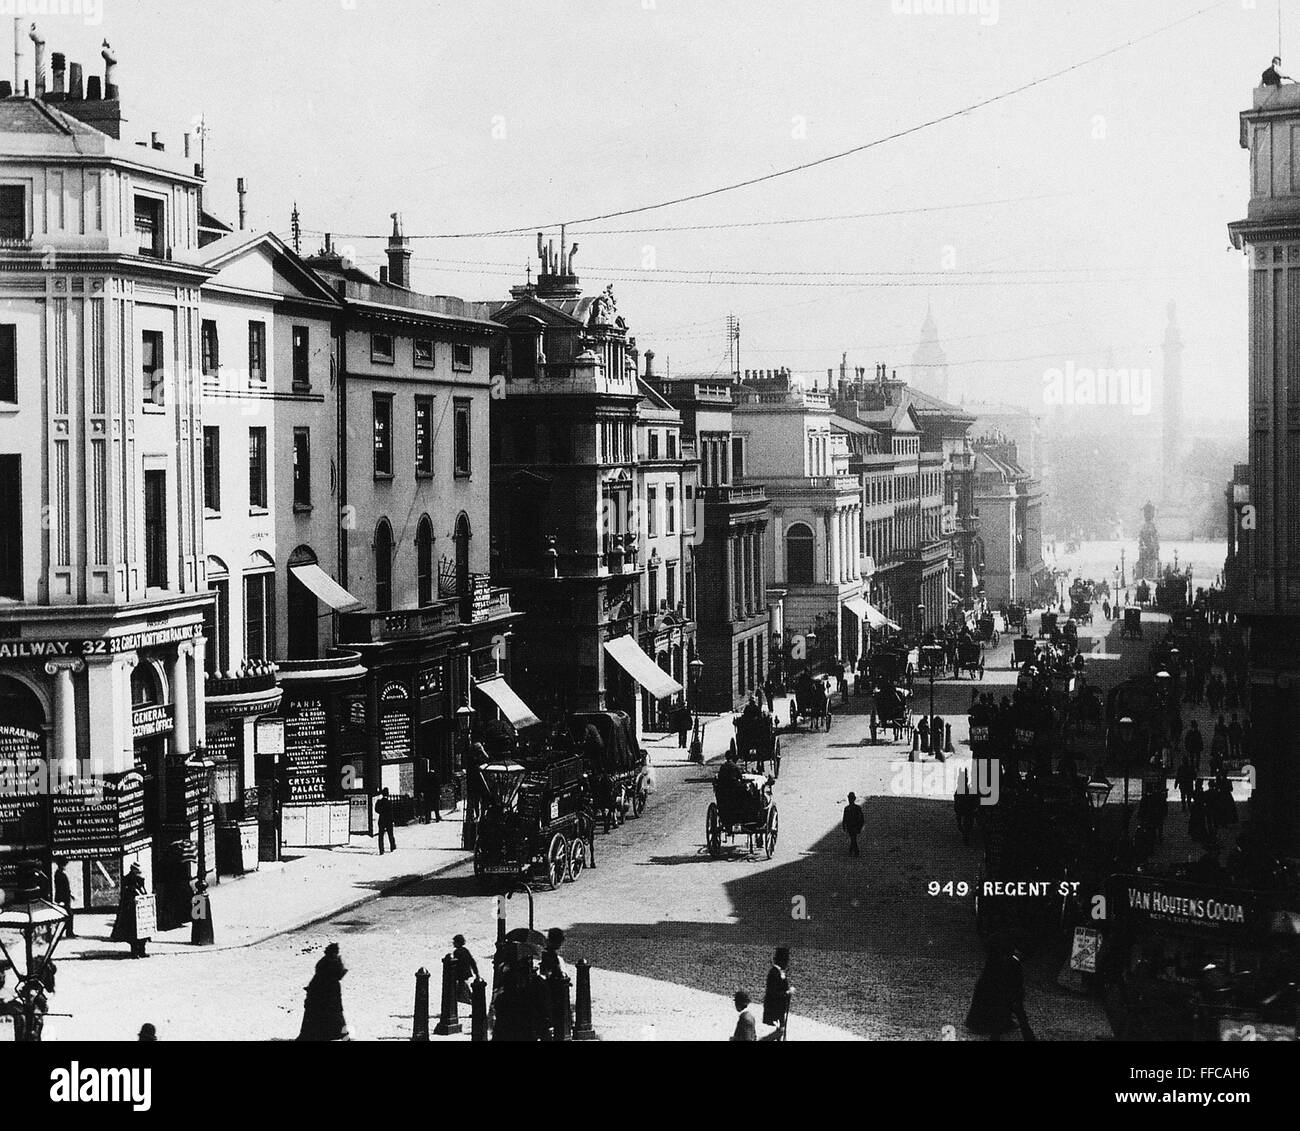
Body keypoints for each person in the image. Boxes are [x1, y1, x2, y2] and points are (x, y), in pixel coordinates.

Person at [965, 941, 1033, 1041]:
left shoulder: (999, 954)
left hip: (996, 982)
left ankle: (996, 1031)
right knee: (1010, 1009)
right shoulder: (1010, 960)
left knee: (1001, 1008)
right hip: (1002, 985)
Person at [298, 943, 349, 1041]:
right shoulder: (332, 963)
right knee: (336, 1017)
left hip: (324, 996)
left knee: (321, 1017)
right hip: (328, 997)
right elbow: (339, 974)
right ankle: (341, 1036)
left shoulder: (324, 962)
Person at [110, 862, 151, 958]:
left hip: (141, 909)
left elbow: (143, 890)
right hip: (130, 910)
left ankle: (142, 950)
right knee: (133, 932)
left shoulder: (140, 878)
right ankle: (135, 952)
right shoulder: (128, 879)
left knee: (143, 931)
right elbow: (126, 895)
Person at [762, 948, 792, 1038]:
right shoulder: (774, 973)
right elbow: (773, 993)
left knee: (780, 1031)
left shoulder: (778, 972)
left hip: (779, 1008)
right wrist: (787, 993)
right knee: (779, 1032)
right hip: (774, 1009)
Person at [452, 934, 479, 1005]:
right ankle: (472, 1001)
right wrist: (476, 972)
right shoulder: (466, 951)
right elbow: (472, 961)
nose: (453, 943)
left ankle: (472, 1002)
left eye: (454, 942)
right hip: (466, 973)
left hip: (460, 974)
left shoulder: (456, 952)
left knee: (463, 989)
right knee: (464, 988)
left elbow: (456, 964)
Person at [53, 858, 74, 938]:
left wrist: (70, 895)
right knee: (68, 915)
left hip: (66, 898)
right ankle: (68, 932)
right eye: (64, 865)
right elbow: (60, 888)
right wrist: (61, 900)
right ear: (61, 865)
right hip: (63, 899)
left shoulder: (59, 873)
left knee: (68, 915)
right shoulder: (59, 875)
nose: (65, 867)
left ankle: (68, 932)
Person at [842, 792, 865, 856]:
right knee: (853, 838)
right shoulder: (857, 808)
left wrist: (844, 826)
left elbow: (845, 819)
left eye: (850, 798)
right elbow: (861, 818)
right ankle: (853, 851)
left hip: (853, 826)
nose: (850, 800)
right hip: (853, 826)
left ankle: (854, 851)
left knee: (853, 838)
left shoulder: (847, 808)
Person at [375, 787, 396, 854]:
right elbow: (392, 812)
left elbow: (376, 809)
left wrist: (381, 812)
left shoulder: (379, 802)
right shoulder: (389, 802)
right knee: (390, 834)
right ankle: (392, 847)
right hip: (389, 820)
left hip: (381, 819)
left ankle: (381, 849)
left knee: (381, 835)